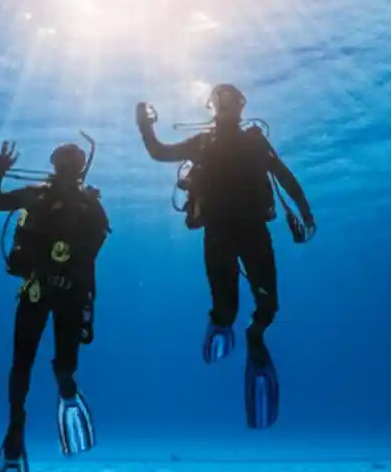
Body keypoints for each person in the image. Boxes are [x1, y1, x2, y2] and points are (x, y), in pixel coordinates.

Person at [135, 83, 315, 429]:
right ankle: (222, 323)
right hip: (218, 234)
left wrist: (304, 211)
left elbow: (284, 176)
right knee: (226, 308)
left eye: (233, 100)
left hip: (253, 233)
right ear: (212, 106)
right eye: (222, 100)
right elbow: (158, 152)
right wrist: (145, 126)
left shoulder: (254, 141)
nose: (228, 105)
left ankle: (255, 336)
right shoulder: (202, 143)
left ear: (242, 106)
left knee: (269, 305)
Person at [0, 138, 109, 472]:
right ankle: (42, 404)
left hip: (43, 293)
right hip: (56, 294)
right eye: (66, 163)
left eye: (69, 163)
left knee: (30, 363)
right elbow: (91, 261)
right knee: (49, 365)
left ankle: (19, 421)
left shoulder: (59, 200)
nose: (68, 169)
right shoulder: (78, 202)